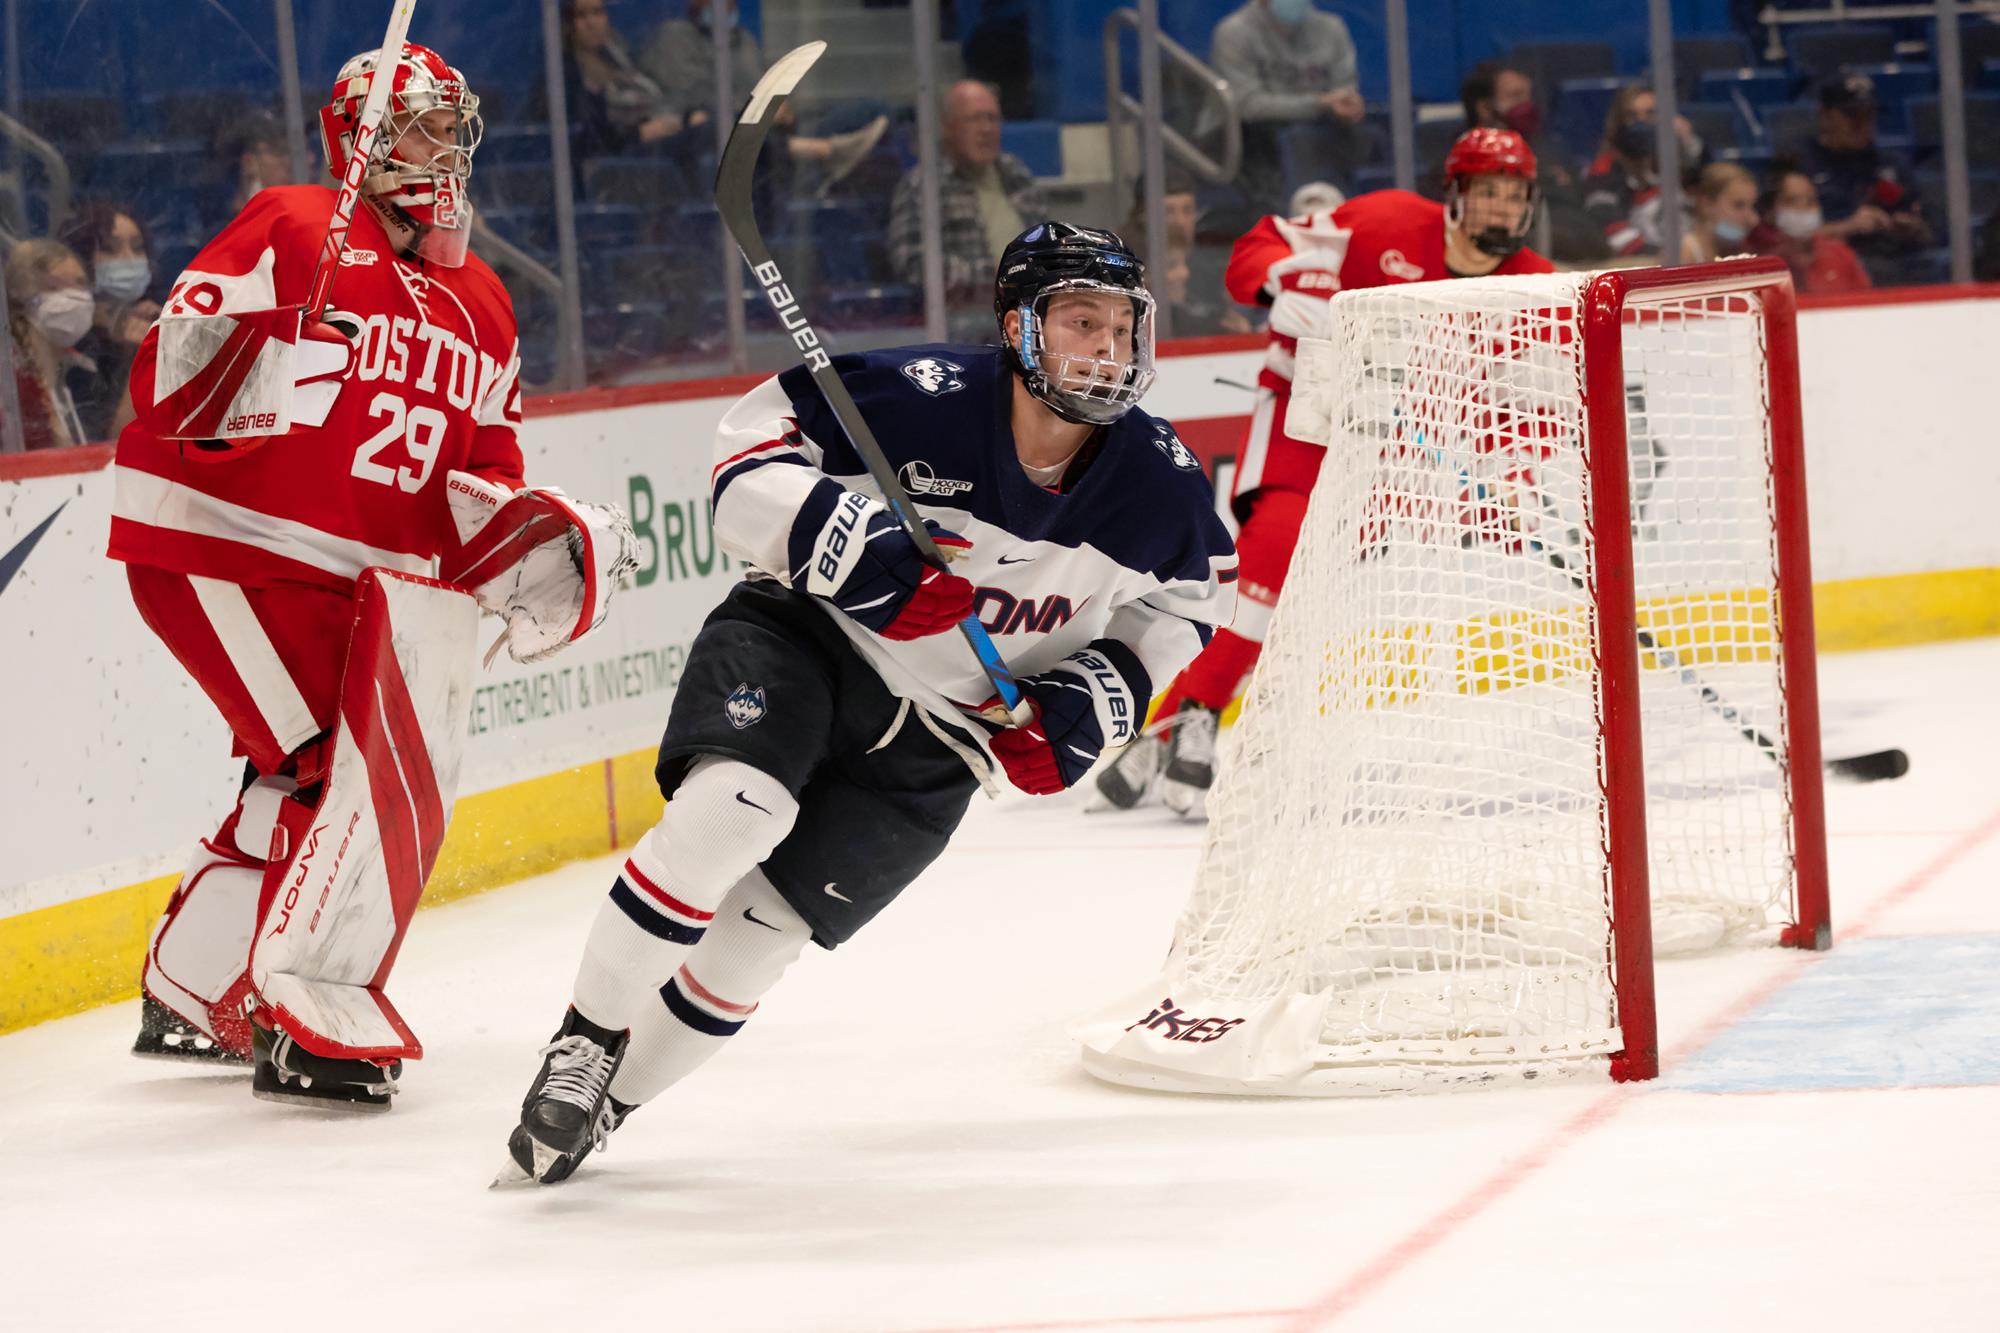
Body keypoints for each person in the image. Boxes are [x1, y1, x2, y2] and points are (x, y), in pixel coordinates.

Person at [502, 222, 1238, 1184]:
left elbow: (1190, 601)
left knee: (762, 940)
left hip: (956, 732)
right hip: (815, 639)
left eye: (1121, 328)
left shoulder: (1158, 482)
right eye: (1080, 322)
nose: (1106, 349)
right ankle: (585, 1041)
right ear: (1021, 328)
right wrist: (845, 539)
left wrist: (1096, 696)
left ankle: (614, 1102)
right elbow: (745, 451)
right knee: (734, 813)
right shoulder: (925, 399)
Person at [110, 42, 636, 1108]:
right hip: (224, 548)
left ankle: (190, 984)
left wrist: (532, 538)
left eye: (450, 126)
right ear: (355, 136)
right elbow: (158, 375)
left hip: (351, 583)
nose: (440, 148)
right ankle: (304, 1015)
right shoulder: (295, 225)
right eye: (416, 127)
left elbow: (485, 468)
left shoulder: (482, 297)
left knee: (293, 771)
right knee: (324, 764)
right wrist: (262, 357)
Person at [1094, 128, 1554, 818]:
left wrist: (1515, 470)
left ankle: (1174, 719)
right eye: (1486, 192)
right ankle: (1193, 717)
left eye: (1512, 197)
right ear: (1454, 194)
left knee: (1292, 600)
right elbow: (1258, 246)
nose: (1498, 209)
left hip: (1401, 457)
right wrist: (1285, 279)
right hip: (1306, 425)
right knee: (1270, 560)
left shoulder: (1535, 286)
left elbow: (1533, 401)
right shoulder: (1385, 222)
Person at [636, 0, 886, 192]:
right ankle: (824, 155)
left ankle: (821, 158)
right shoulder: (676, 36)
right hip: (721, 145)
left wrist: (781, 105)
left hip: (771, 132)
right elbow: (693, 101)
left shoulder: (744, 40)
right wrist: (758, 109)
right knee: (716, 126)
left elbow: (767, 87)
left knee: (872, 110)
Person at [887, 80, 1046, 338]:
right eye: (974, 120)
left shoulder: (1016, 173)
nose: (986, 129)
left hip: (1032, 306)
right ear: (947, 128)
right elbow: (913, 264)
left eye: (992, 119)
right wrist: (994, 274)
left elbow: (1047, 241)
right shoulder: (923, 185)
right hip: (966, 319)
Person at [1205, 0, 1368, 211]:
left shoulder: (1331, 28)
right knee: (1270, 137)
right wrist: (1320, 102)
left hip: (1314, 134)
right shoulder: (1234, 31)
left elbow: (1344, 90)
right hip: (1244, 140)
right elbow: (1249, 106)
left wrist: (1348, 105)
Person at [1457, 59, 1601, 262]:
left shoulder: (1550, 150)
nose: (1527, 104)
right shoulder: (1459, 165)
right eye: (1515, 96)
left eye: (1528, 95)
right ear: (1485, 108)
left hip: (1575, 260)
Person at [1800, 72, 1931, 284]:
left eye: (1869, 114)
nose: (1864, 123)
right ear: (1824, 114)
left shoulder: (1891, 164)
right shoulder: (1801, 168)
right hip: (1831, 275)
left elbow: (1931, 230)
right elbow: (1787, 240)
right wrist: (1848, 227)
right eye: (1852, 115)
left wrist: (1911, 227)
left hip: (1899, 267)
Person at [57, 201, 160, 440]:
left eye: (138, 248)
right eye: (111, 249)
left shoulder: (160, 316)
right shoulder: (76, 347)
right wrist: (140, 359)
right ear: (82, 259)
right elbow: (114, 447)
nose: (129, 259)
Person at [1583, 83, 1705, 258]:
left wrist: (1688, 145)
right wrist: (1661, 257)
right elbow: (1610, 227)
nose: (1641, 123)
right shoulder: (1606, 169)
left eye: (1650, 114)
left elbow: (1712, 196)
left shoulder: (1675, 160)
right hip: (1644, 264)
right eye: (1632, 116)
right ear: (1619, 122)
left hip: (1687, 258)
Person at [5, 238, 96, 450]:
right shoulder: (11, 380)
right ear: (23, 298)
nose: (73, 296)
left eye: (80, 284)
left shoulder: (81, 369)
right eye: (54, 287)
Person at [1746, 163, 1872, 294]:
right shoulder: (1757, 261)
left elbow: (1865, 303)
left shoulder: (1840, 252)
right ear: (1770, 211)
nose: (1802, 208)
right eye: (1791, 201)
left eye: (1810, 201)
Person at [1680, 162, 1758, 264]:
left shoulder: (1736, 249)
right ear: (1707, 204)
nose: (1753, 219)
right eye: (1738, 205)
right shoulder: (1684, 251)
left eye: (1752, 206)